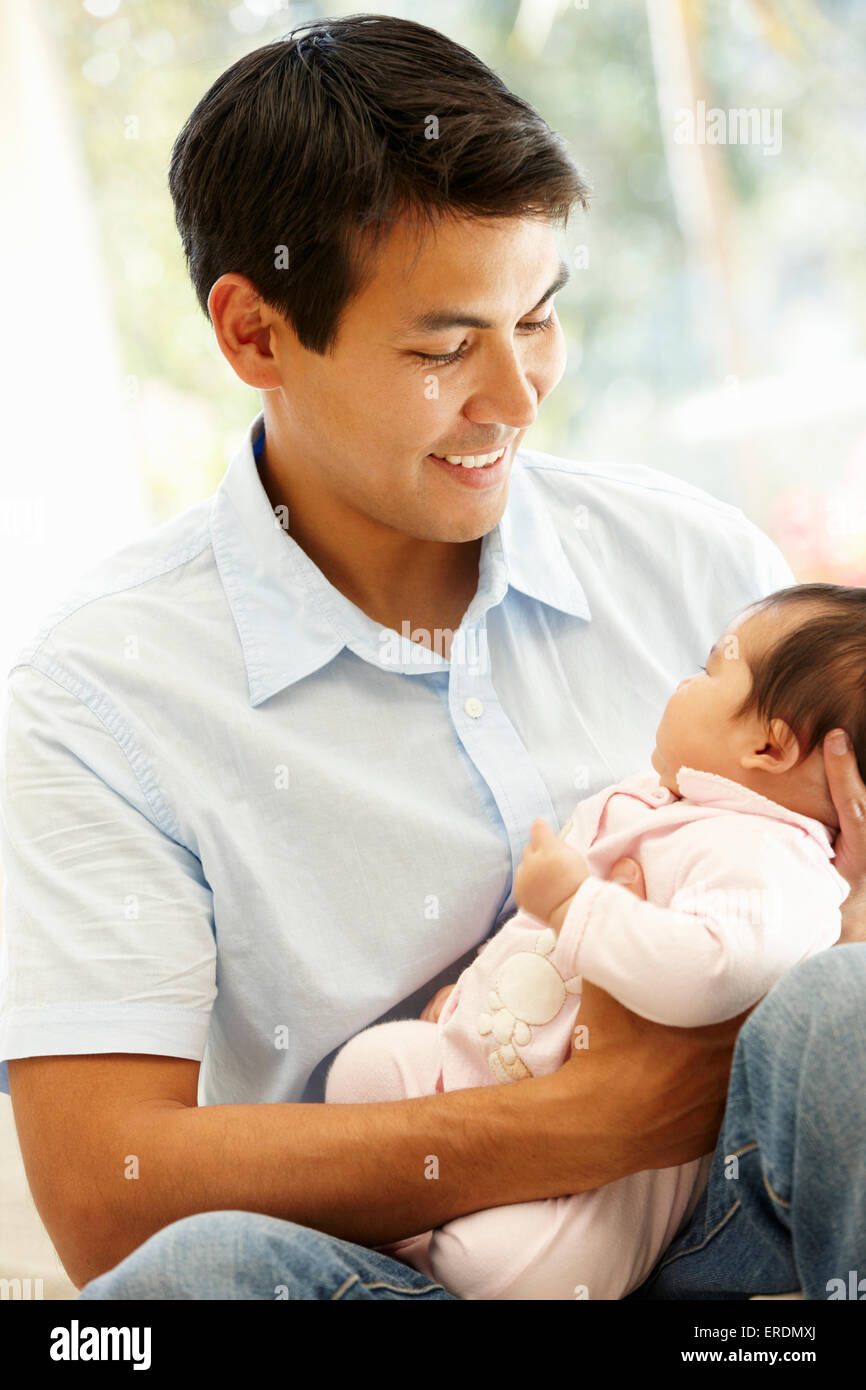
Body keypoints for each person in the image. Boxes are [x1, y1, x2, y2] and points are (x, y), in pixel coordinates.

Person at [2, 17, 865, 1301]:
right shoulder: (97, 700)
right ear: (253, 335)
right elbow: (105, 1196)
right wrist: (587, 1119)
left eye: (538, 317)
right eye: (443, 348)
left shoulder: (695, 564)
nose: (516, 396)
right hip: (401, 1274)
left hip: (723, 1223)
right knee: (202, 1274)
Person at [324, 583, 862, 1299]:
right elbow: (540, 940)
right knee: (365, 1069)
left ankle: (425, 1242)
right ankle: (412, 1223)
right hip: (496, 1064)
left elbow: (711, 969)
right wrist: (484, 990)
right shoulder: (665, 800)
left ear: (768, 745)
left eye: (705, 673)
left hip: (607, 1180)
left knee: (507, 1271)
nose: (682, 684)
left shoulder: (776, 859)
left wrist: (575, 906)